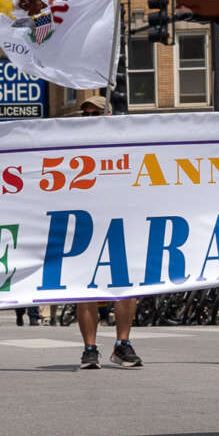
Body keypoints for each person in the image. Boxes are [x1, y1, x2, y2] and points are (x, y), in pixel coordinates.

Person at [71, 94, 143, 370]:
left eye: (95, 113)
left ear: (109, 115)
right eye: (85, 114)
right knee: (84, 288)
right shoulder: (69, 145)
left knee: (126, 287)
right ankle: (90, 349)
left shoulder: (124, 143)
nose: (89, 119)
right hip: (84, 223)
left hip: (120, 222)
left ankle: (122, 345)